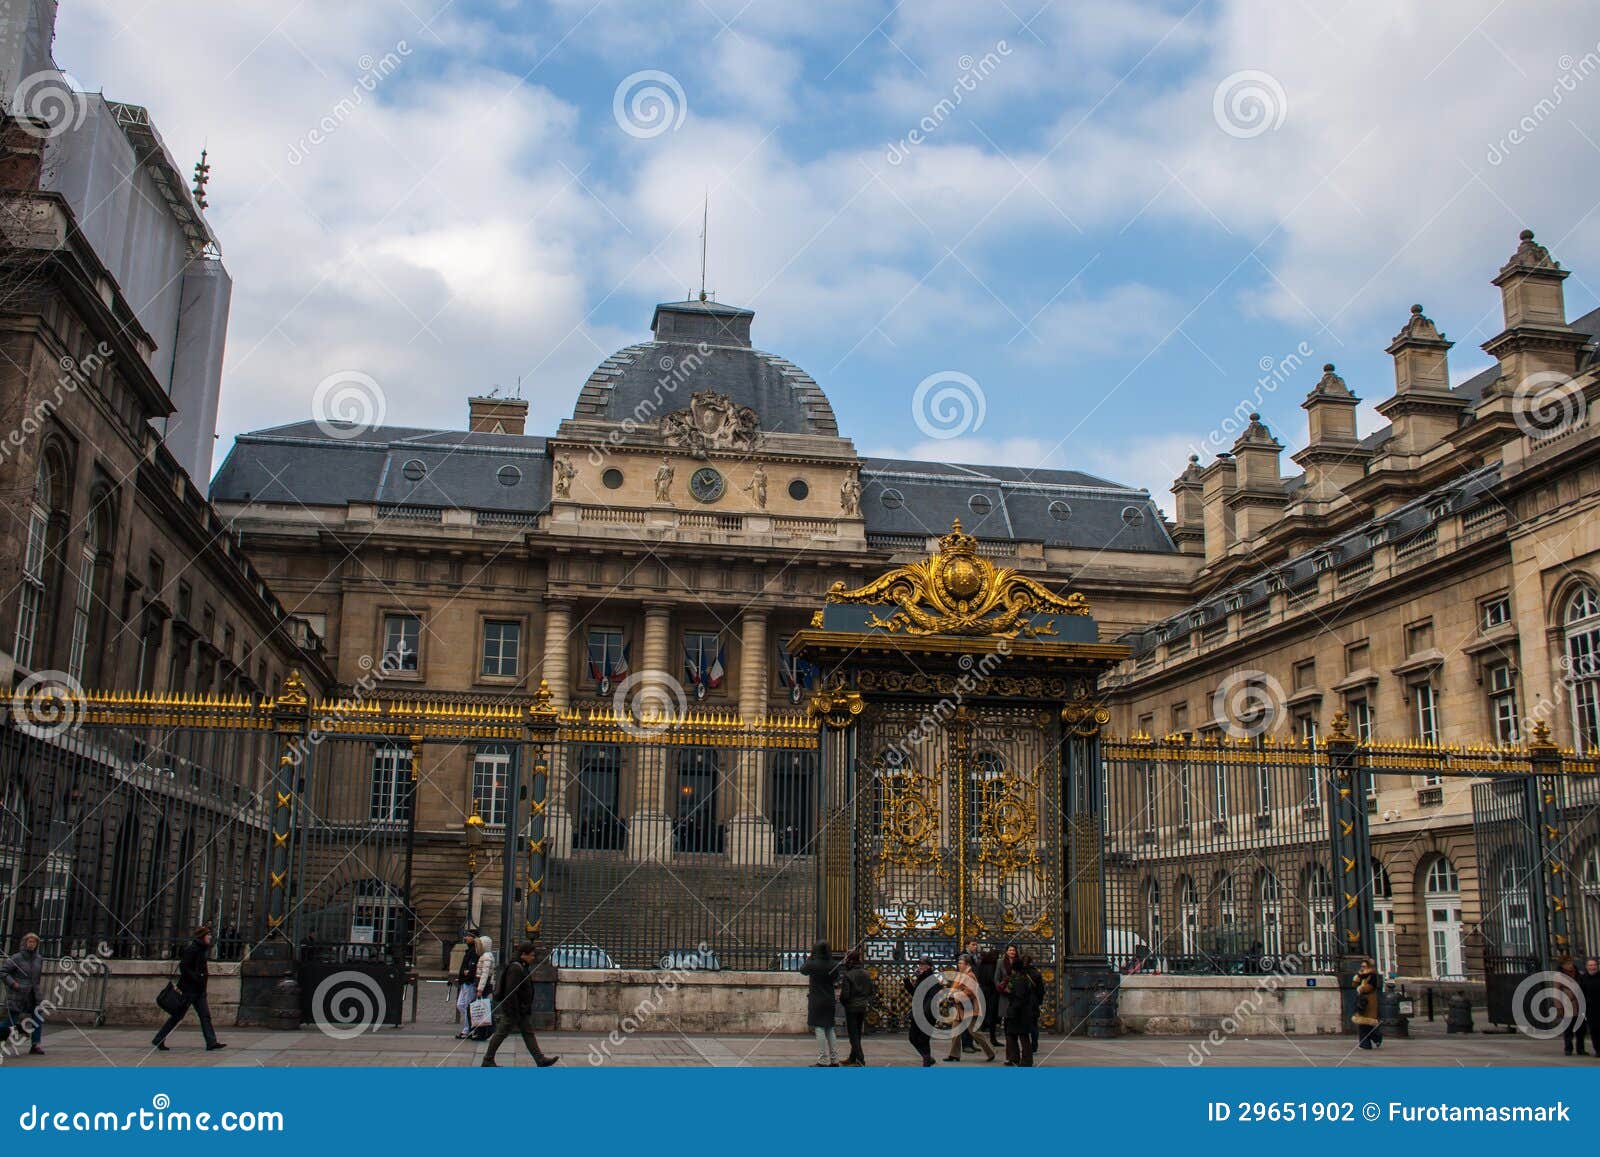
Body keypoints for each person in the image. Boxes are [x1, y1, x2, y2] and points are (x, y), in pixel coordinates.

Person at [481, 942, 558, 1067]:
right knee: (501, 1033)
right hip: (514, 1010)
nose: (533, 957)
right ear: (523, 955)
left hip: (521, 1010)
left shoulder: (522, 966)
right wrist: (514, 1011)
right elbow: (511, 991)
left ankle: (540, 1059)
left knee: (527, 1033)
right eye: (531, 955)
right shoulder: (516, 968)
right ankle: (488, 1059)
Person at [152, 926, 226, 1052]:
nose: (210, 937)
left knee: (205, 1016)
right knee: (177, 1016)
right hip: (189, 990)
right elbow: (184, 966)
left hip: (199, 991)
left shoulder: (201, 949)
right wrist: (197, 977)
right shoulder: (192, 949)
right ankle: (159, 1038)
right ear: (202, 936)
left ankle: (211, 1042)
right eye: (208, 935)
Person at [943, 954, 995, 1062]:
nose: (959, 965)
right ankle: (954, 1055)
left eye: (961, 963)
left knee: (974, 1032)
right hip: (960, 1008)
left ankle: (990, 1052)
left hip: (968, 1008)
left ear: (967, 964)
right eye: (958, 963)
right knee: (955, 1032)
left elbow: (970, 991)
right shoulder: (960, 975)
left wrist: (956, 996)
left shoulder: (970, 975)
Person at [0, 932, 45, 1055]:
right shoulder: (16, 958)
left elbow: (37, 978)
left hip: (33, 994)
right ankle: (16, 1029)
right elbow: (3, 972)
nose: (32, 944)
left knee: (38, 1018)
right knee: (10, 1021)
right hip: (18, 993)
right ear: (25, 943)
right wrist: (14, 984)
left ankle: (36, 1044)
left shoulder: (39, 959)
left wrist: (37, 990)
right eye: (29, 941)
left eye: (34, 942)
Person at [799, 940, 840, 1067]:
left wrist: (810, 958)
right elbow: (836, 978)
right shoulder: (833, 964)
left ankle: (823, 1059)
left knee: (819, 1028)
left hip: (817, 999)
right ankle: (834, 1059)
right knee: (830, 1028)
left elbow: (802, 970)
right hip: (829, 999)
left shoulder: (812, 964)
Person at [837, 949, 874, 1066]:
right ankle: (852, 1058)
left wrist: (845, 1003)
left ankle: (860, 1059)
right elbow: (871, 991)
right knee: (857, 1033)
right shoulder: (866, 973)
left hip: (851, 1007)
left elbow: (845, 995)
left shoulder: (848, 975)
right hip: (862, 1006)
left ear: (850, 960)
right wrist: (866, 1001)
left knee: (853, 1035)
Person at [1002, 953, 1036, 1066]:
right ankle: (1017, 1058)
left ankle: (1024, 1060)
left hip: (1018, 1012)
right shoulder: (1025, 978)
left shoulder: (1019, 980)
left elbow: (1019, 997)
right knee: (1017, 1035)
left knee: (1018, 1036)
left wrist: (1012, 1008)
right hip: (1023, 1011)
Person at [903, 956, 937, 1067]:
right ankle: (927, 1058)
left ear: (929, 966)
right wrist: (907, 983)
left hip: (927, 1015)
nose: (920, 967)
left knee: (923, 1039)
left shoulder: (932, 980)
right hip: (918, 1013)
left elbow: (932, 999)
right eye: (919, 964)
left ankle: (926, 1062)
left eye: (923, 965)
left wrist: (925, 1014)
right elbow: (916, 994)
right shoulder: (921, 978)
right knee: (912, 1037)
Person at [1558, 956, 1587, 1057]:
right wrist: (1559, 1007)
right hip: (1567, 1004)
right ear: (1562, 965)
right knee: (1568, 1029)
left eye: (1570, 963)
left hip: (1580, 1004)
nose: (1569, 965)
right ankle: (1568, 1049)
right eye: (1567, 964)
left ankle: (1581, 1049)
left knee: (1581, 1029)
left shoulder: (1578, 973)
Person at [1351, 957, 1382, 1050]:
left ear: (1369, 967)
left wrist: (1361, 988)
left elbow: (1370, 987)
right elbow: (1354, 984)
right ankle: (1368, 1042)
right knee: (1362, 1023)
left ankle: (1373, 1039)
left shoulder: (1372, 975)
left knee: (1367, 1023)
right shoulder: (1362, 975)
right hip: (1361, 1001)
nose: (1362, 968)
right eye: (1361, 966)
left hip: (1369, 1002)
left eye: (1364, 966)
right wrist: (1357, 976)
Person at [455, 932, 480, 1040]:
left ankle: (467, 1030)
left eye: (469, 936)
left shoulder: (474, 951)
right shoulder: (469, 950)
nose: (466, 938)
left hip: (469, 982)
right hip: (465, 982)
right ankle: (471, 1024)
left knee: (467, 1006)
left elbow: (472, 967)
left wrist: (468, 974)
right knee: (460, 1005)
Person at [976, 948, 1000, 1049]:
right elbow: (992, 979)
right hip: (991, 993)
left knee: (981, 1015)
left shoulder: (981, 964)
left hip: (982, 991)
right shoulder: (993, 965)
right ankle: (992, 1038)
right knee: (992, 1016)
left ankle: (978, 1038)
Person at [1581, 957, 1600, 1059]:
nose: (1592, 967)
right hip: (1590, 1008)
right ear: (1587, 967)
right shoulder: (1583, 978)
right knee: (1594, 1030)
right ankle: (1598, 1050)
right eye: (1590, 965)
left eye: (1594, 965)